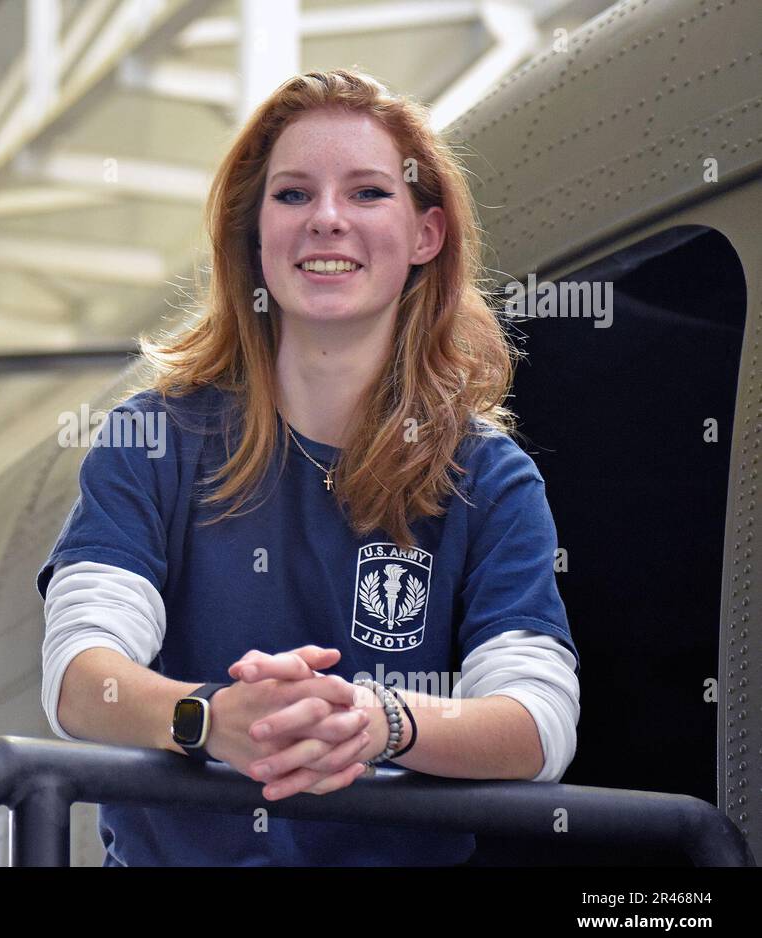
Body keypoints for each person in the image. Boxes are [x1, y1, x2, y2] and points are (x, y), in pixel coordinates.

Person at [35, 69, 579, 866]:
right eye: (292, 195)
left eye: (366, 193)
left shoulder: (491, 479)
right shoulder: (150, 440)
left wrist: (376, 721)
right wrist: (212, 719)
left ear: (427, 235)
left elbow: (540, 721)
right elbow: (81, 677)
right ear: (254, 237)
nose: (327, 219)